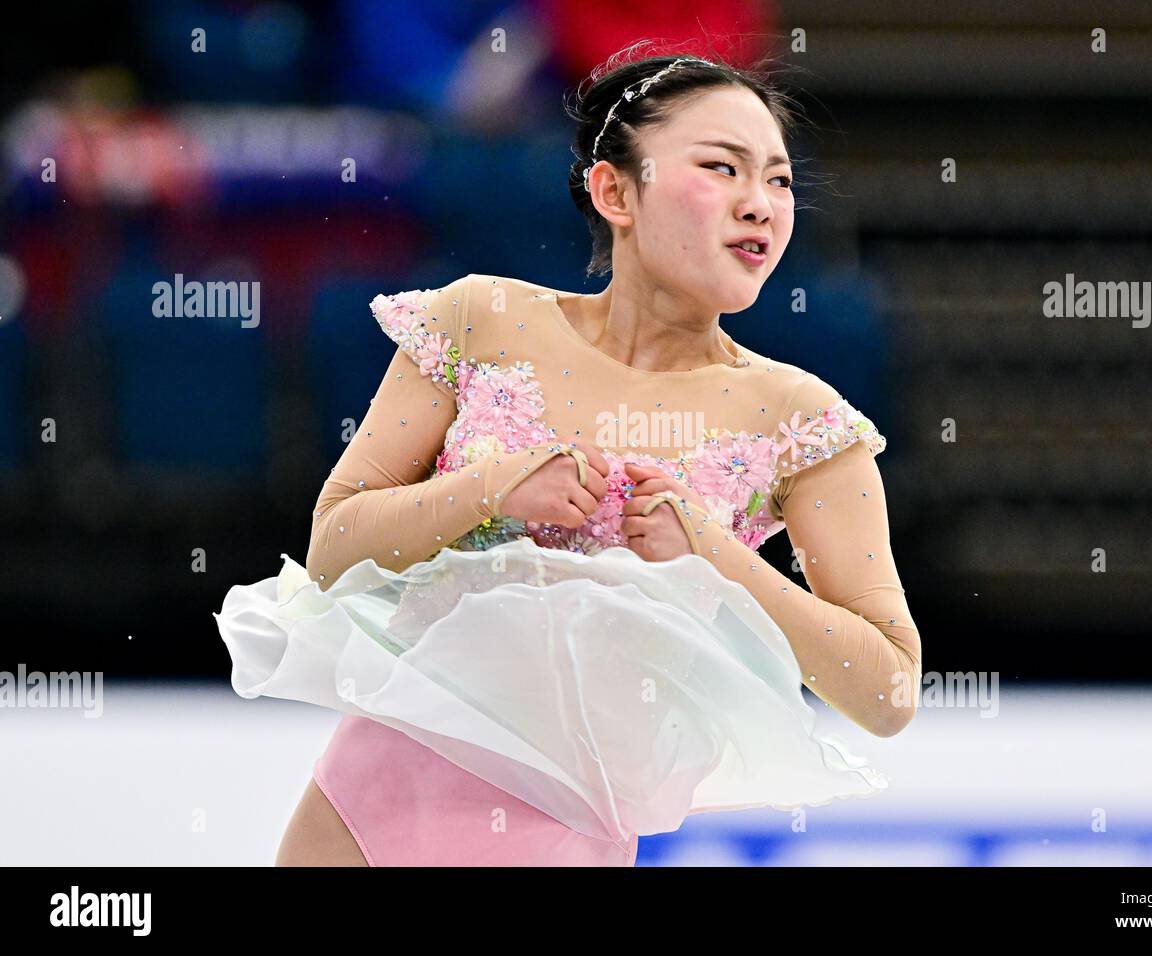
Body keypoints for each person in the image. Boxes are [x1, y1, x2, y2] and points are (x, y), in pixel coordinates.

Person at [216, 51, 922, 867]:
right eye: (722, 169)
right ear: (614, 191)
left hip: (567, 827)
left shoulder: (798, 420)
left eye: (779, 181)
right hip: (375, 794)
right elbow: (333, 551)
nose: (759, 205)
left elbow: (889, 691)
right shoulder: (479, 320)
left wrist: (716, 557)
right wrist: (488, 491)